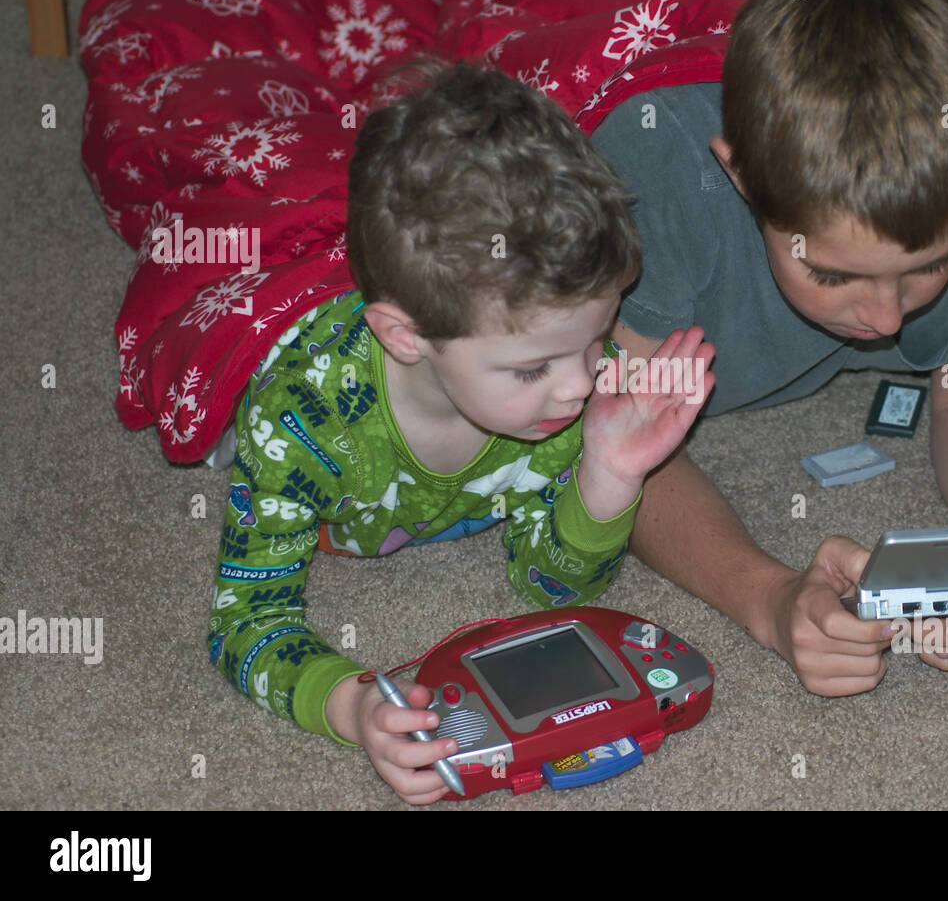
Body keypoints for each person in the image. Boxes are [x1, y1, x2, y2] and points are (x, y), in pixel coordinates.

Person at [209, 61, 714, 804]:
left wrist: (609, 477)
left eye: (598, 336)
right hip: (286, 336)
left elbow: (548, 587)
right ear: (407, 339)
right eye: (533, 367)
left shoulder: (566, 390)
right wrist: (351, 705)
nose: (581, 384)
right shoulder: (298, 427)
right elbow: (243, 620)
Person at [589, 0, 948, 695]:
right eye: (833, 275)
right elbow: (613, 450)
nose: (888, 316)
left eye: (933, 264)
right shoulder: (657, 184)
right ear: (739, 180)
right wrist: (768, 598)